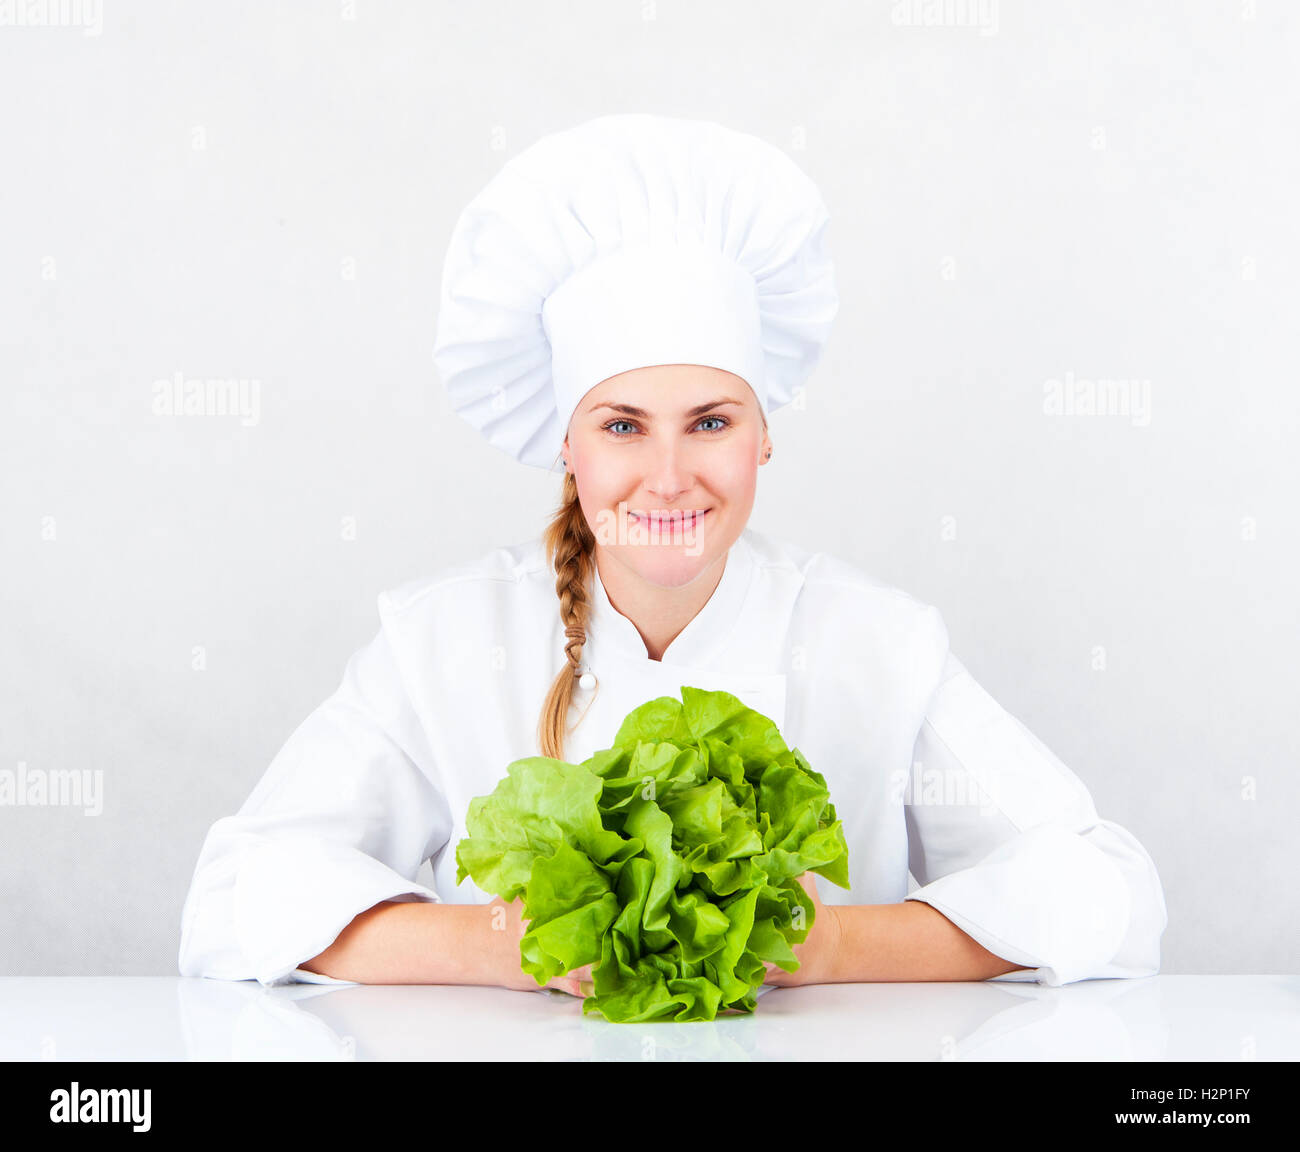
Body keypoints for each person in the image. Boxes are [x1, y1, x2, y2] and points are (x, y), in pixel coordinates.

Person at [178, 114, 1167, 999]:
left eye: (707, 422)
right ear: (565, 445)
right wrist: (508, 943)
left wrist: (825, 948)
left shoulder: (874, 640)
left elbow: (1107, 897)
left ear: (762, 433)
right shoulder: (444, 637)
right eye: (619, 426)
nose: (666, 475)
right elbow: (232, 901)